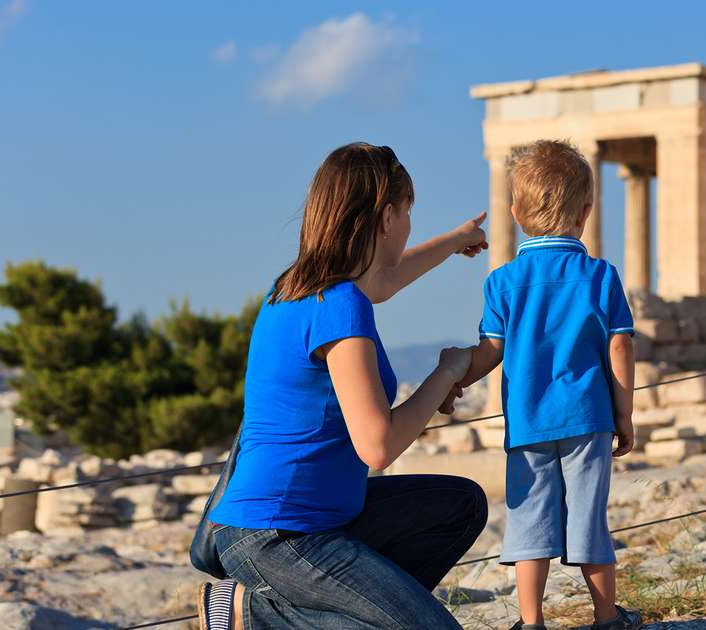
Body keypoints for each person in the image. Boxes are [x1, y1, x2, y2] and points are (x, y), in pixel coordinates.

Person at [197, 142, 491, 630]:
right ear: (387, 217)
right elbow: (378, 446)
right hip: (278, 533)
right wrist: (445, 373)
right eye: (408, 213)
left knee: (460, 505)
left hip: (319, 519)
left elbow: (387, 279)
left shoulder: (298, 287)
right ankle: (251, 615)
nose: (409, 225)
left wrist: (456, 240)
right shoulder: (340, 306)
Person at [441, 140, 643, 630]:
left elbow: (490, 351)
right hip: (588, 419)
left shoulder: (501, 282)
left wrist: (455, 380)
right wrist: (624, 413)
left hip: (528, 422)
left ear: (514, 214)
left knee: (529, 520)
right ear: (586, 212)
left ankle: (531, 621)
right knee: (589, 518)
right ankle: (607, 617)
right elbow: (620, 347)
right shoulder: (601, 276)